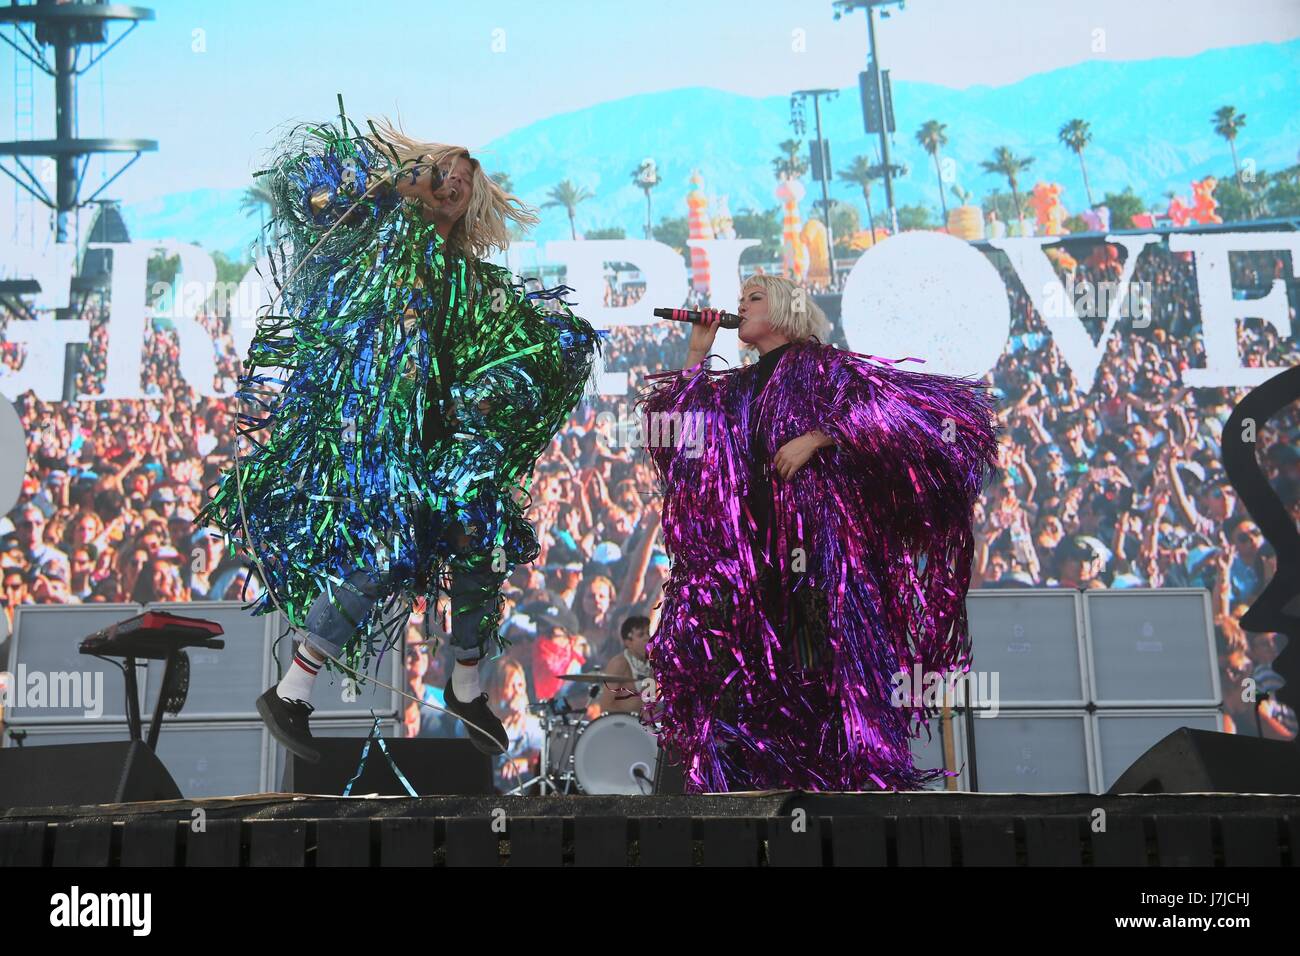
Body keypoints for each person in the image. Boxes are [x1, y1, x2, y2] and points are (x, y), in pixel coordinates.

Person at [194, 100, 599, 763]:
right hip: (376, 443)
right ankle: (294, 690)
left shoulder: (467, 282)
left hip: (437, 451)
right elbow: (317, 194)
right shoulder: (378, 230)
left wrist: (545, 354)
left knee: (479, 529)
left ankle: (466, 682)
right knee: (385, 553)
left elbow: (508, 345)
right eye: (443, 171)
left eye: (463, 182)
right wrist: (403, 183)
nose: (451, 184)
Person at [639, 274, 999, 793]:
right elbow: (681, 432)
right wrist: (698, 349)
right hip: (758, 564)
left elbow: (926, 412)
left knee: (827, 673)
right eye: (740, 300)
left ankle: (849, 794)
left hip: (822, 560)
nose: (740, 306)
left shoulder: (823, 366)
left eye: (753, 299)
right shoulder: (740, 387)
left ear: (787, 310)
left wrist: (818, 437)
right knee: (765, 680)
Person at [595, 615, 654, 716]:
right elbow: (605, 707)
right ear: (628, 642)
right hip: (621, 726)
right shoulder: (619, 664)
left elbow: (647, 705)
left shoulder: (652, 666)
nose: (647, 638)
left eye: (648, 633)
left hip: (641, 727)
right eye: (641, 635)